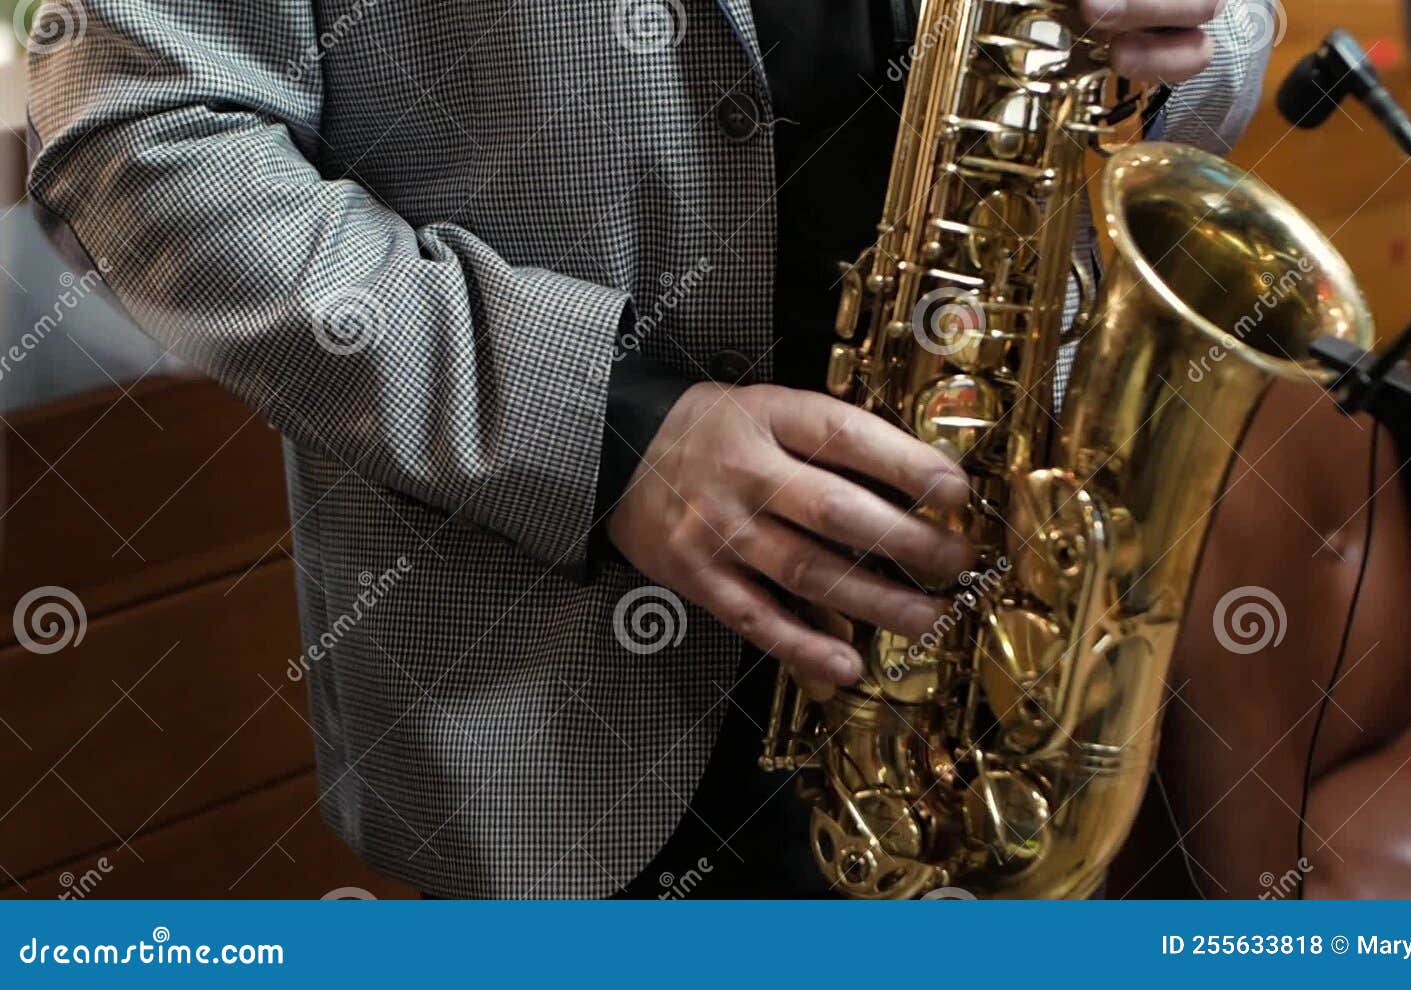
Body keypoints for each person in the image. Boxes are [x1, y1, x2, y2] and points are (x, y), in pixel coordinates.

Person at [27, 0, 1269, 898]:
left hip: (989, 633)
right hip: (547, 721)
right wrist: (603, 432)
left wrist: (1174, 42)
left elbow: (1231, 34)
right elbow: (136, 143)